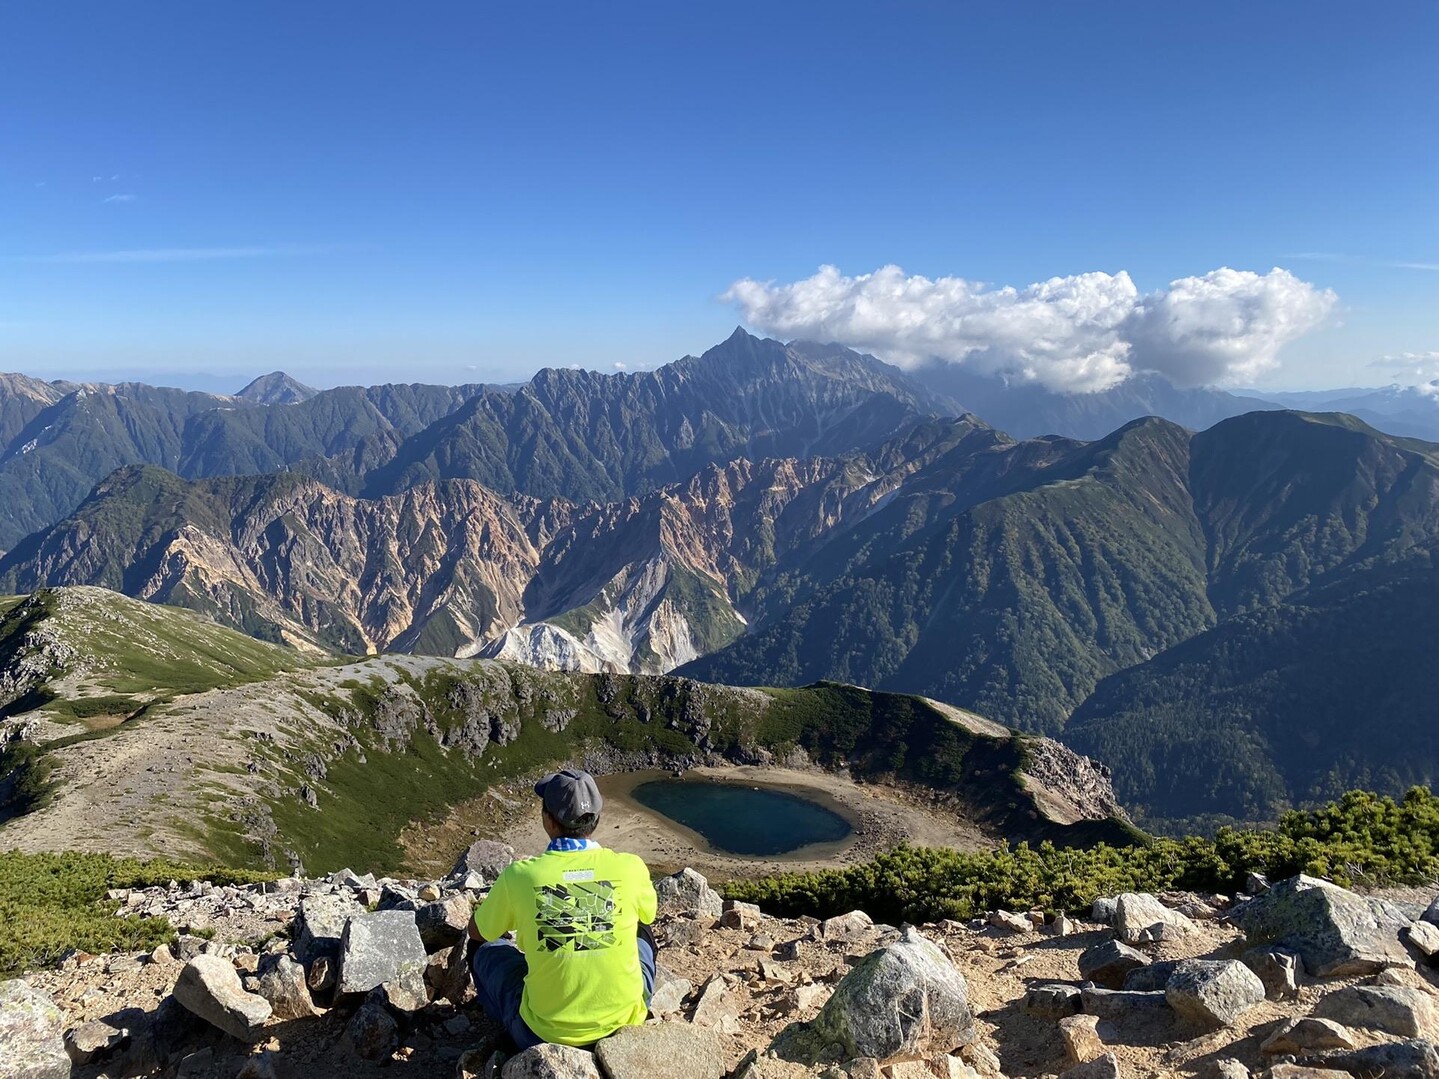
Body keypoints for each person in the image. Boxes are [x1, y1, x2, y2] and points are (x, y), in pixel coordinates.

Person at [468, 769, 658, 1051]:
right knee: (642, 931)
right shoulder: (630, 867)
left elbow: (477, 932)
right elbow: (648, 915)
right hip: (623, 1026)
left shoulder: (521, 876)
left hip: (541, 1034)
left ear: (548, 820)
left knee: (481, 949)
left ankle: (508, 1030)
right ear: (597, 819)